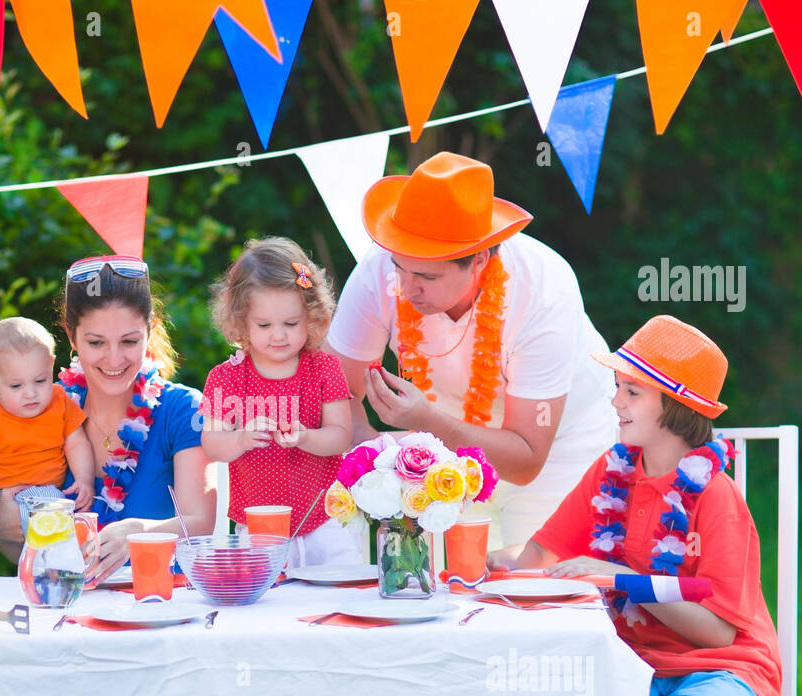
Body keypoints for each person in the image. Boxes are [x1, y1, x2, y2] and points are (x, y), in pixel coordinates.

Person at [489, 315, 783, 696]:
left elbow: (717, 633)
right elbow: (536, 555)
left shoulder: (717, 497)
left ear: (675, 405)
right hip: (630, 659)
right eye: (617, 388)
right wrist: (480, 562)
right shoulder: (611, 474)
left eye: (632, 390)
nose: (615, 402)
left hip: (722, 669)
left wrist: (627, 579)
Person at [324, 152, 618, 549]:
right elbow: (334, 392)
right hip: (440, 448)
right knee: (448, 588)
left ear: (479, 259)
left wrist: (427, 421)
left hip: (559, 448)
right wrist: (380, 460)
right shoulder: (380, 270)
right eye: (400, 268)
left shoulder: (544, 289)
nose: (408, 289)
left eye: (427, 275)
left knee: (540, 591)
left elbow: (527, 458)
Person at [51, 255, 217, 581]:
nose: (114, 359)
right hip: (65, 609)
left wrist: (138, 532)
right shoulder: (49, 409)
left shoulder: (183, 409)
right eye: (96, 342)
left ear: (149, 330)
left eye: (129, 341)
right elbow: (19, 536)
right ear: (71, 337)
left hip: (161, 609)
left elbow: (201, 522)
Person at [200, 237, 357, 567]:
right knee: (264, 608)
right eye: (264, 325)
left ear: (312, 316)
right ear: (241, 320)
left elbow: (342, 435)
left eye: (291, 323)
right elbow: (212, 444)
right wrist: (241, 438)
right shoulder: (226, 377)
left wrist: (306, 437)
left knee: (338, 599)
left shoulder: (324, 369)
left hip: (325, 521)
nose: (279, 335)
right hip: (256, 527)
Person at [0, 317, 95, 562]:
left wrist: (84, 480)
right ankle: (57, 568)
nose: (30, 393)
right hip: (7, 497)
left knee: (53, 531)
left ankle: (44, 571)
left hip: (49, 492)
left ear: (51, 366)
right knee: (60, 534)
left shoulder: (60, 401)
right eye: (16, 385)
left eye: (40, 381)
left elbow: (77, 443)